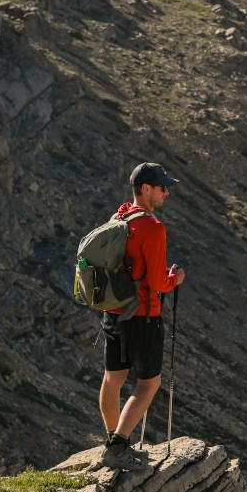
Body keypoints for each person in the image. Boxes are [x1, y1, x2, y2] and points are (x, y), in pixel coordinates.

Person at [98, 162, 187, 470]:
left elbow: (130, 267)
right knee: (149, 383)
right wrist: (175, 279)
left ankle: (112, 439)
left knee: (113, 377)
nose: (167, 193)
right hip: (143, 315)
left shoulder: (120, 217)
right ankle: (119, 446)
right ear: (147, 189)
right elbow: (159, 283)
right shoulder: (153, 227)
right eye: (163, 187)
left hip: (114, 311)